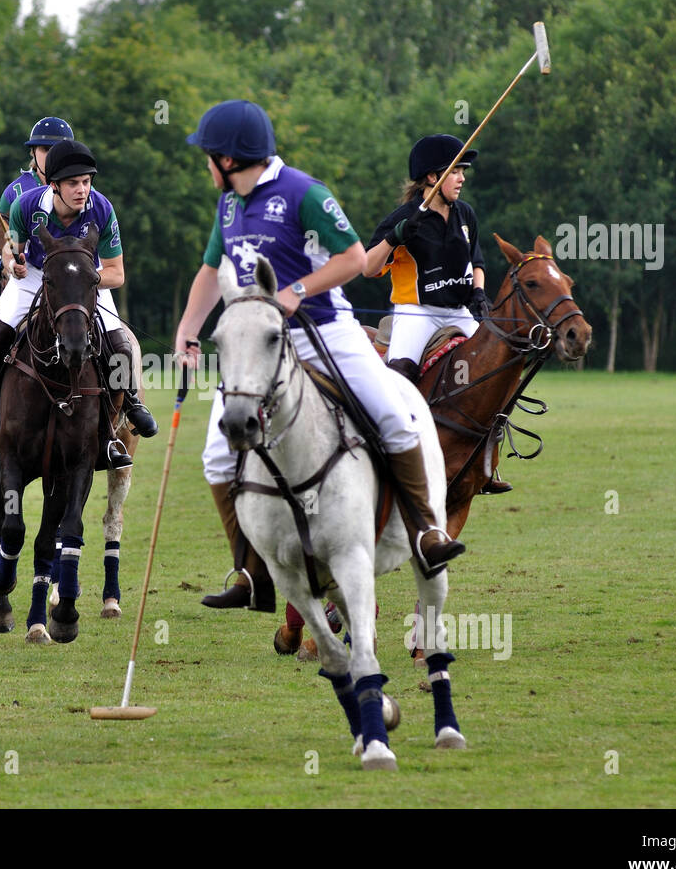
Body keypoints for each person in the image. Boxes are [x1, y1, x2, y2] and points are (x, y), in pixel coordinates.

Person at [174, 100, 465, 609]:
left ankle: (424, 534)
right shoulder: (228, 204)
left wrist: (299, 290)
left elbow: (354, 258)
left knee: (396, 418)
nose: (205, 164)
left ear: (230, 158)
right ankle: (250, 571)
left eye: (208, 154)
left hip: (325, 330)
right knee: (218, 455)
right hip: (259, 344)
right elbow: (210, 268)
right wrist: (188, 329)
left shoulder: (304, 194)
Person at [0, 139, 157, 467]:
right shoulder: (26, 206)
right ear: (53, 185)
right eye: (74, 183)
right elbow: (11, 250)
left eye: (87, 182)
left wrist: (76, 282)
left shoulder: (102, 209)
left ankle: (117, 422)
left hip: (86, 280)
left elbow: (116, 274)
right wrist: (11, 264)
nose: (82, 190)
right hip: (35, 274)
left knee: (120, 347)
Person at [362, 133, 509, 493]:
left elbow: (477, 260)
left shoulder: (464, 214)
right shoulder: (404, 217)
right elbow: (367, 267)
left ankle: (486, 464)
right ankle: (390, 457)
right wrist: (395, 236)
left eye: (463, 171)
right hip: (417, 312)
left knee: (497, 372)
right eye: (455, 171)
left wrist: (478, 291)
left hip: (459, 311)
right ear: (432, 177)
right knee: (399, 379)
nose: (462, 177)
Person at [0, 116, 76, 218]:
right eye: (46, 149)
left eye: (59, 149)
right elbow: (7, 233)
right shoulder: (13, 192)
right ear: (33, 152)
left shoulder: (84, 190)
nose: (52, 156)